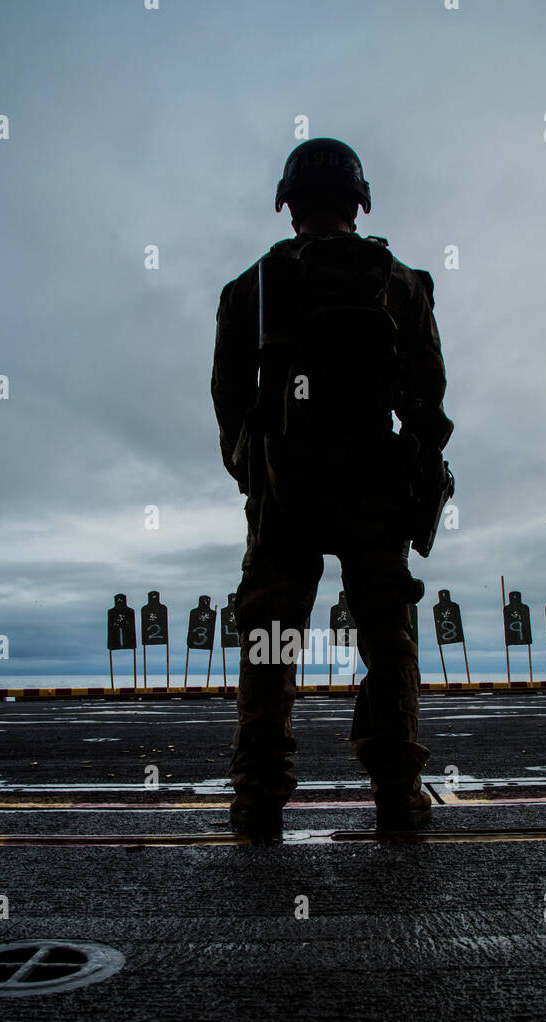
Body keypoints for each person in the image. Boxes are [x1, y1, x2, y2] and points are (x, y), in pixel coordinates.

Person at [211, 137, 453, 841]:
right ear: (358, 200)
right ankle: (399, 794)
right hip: (373, 482)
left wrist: (254, 476)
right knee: (387, 634)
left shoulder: (250, 287)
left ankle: (257, 800)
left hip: (286, 485)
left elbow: (230, 399)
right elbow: (428, 402)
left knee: (270, 637)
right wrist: (412, 471)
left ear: (290, 206)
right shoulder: (402, 283)